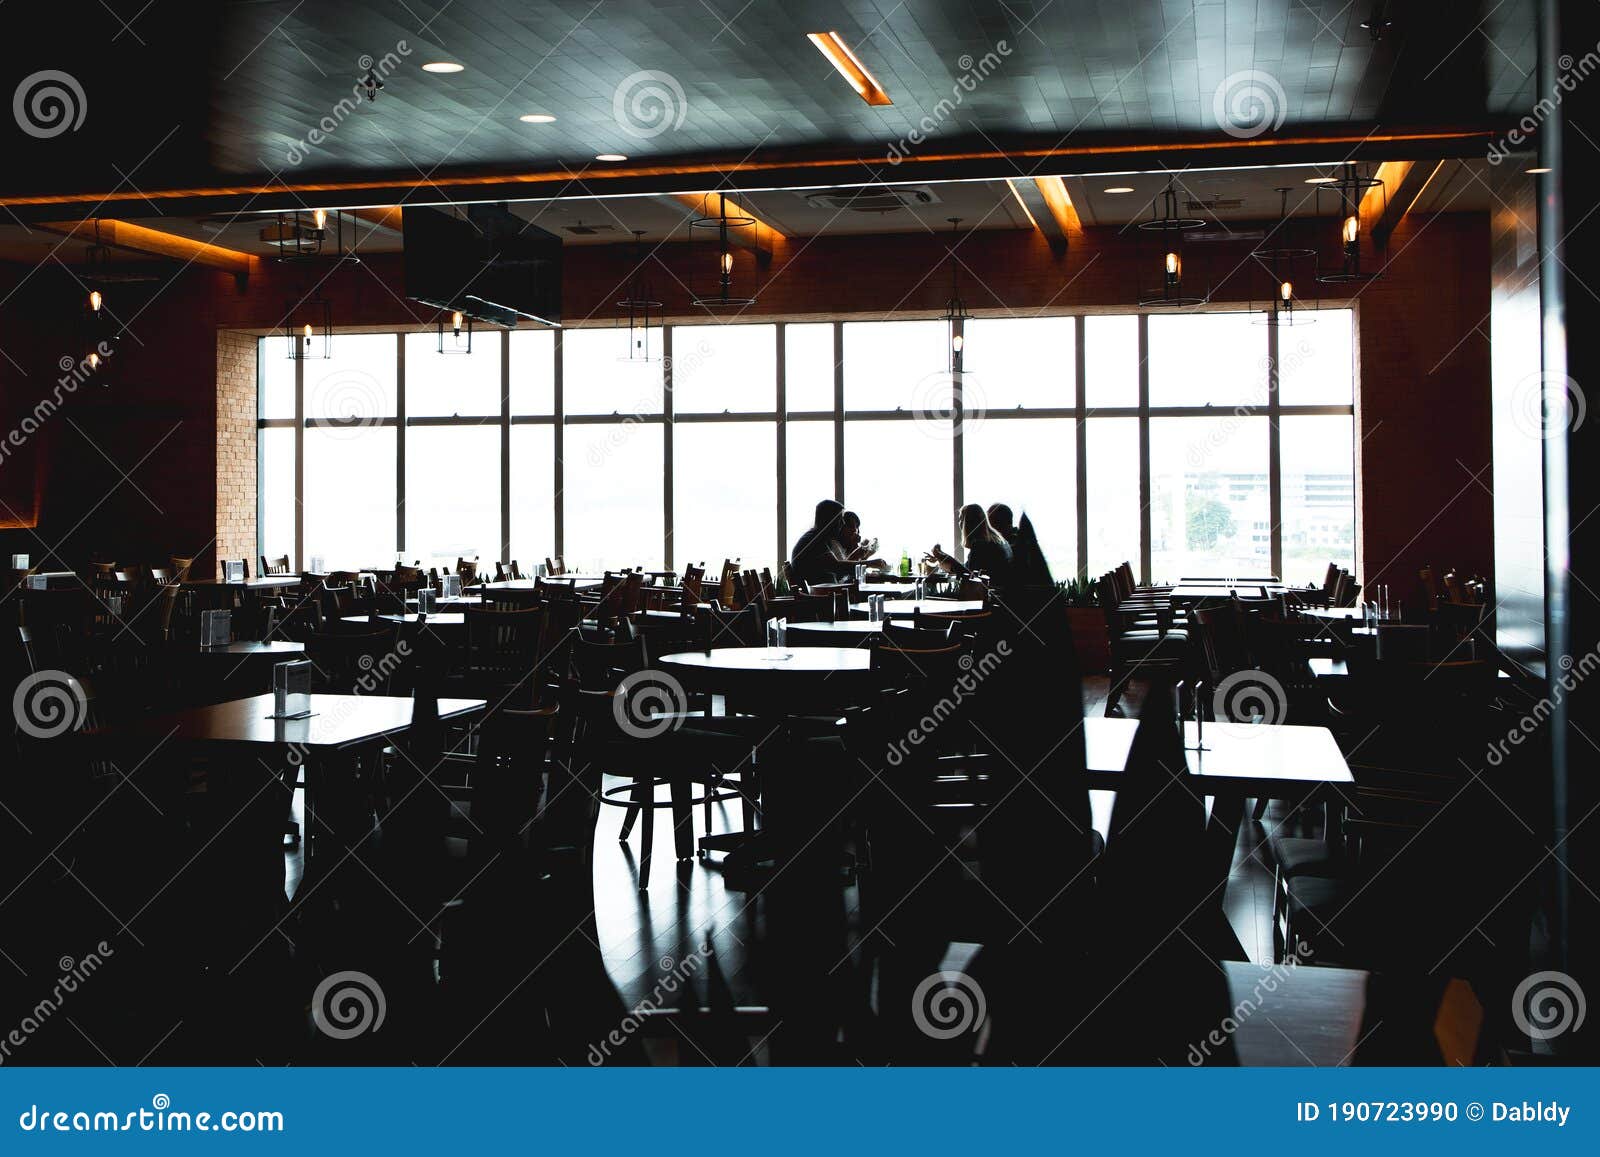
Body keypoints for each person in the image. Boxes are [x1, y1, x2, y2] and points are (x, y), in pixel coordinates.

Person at [927, 504, 1013, 591]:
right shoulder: (997, 540)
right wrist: (941, 559)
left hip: (988, 597)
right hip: (1001, 594)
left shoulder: (980, 545)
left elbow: (969, 577)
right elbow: (969, 569)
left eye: (961, 519)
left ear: (967, 522)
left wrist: (946, 559)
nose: (959, 523)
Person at [790, 499, 854, 588]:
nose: (843, 523)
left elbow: (836, 571)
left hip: (822, 595)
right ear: (830, 520)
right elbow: (837, 567)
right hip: (819, 599)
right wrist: (868, 563)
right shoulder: (814, 540)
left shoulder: (817, 537)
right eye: (840, 519)